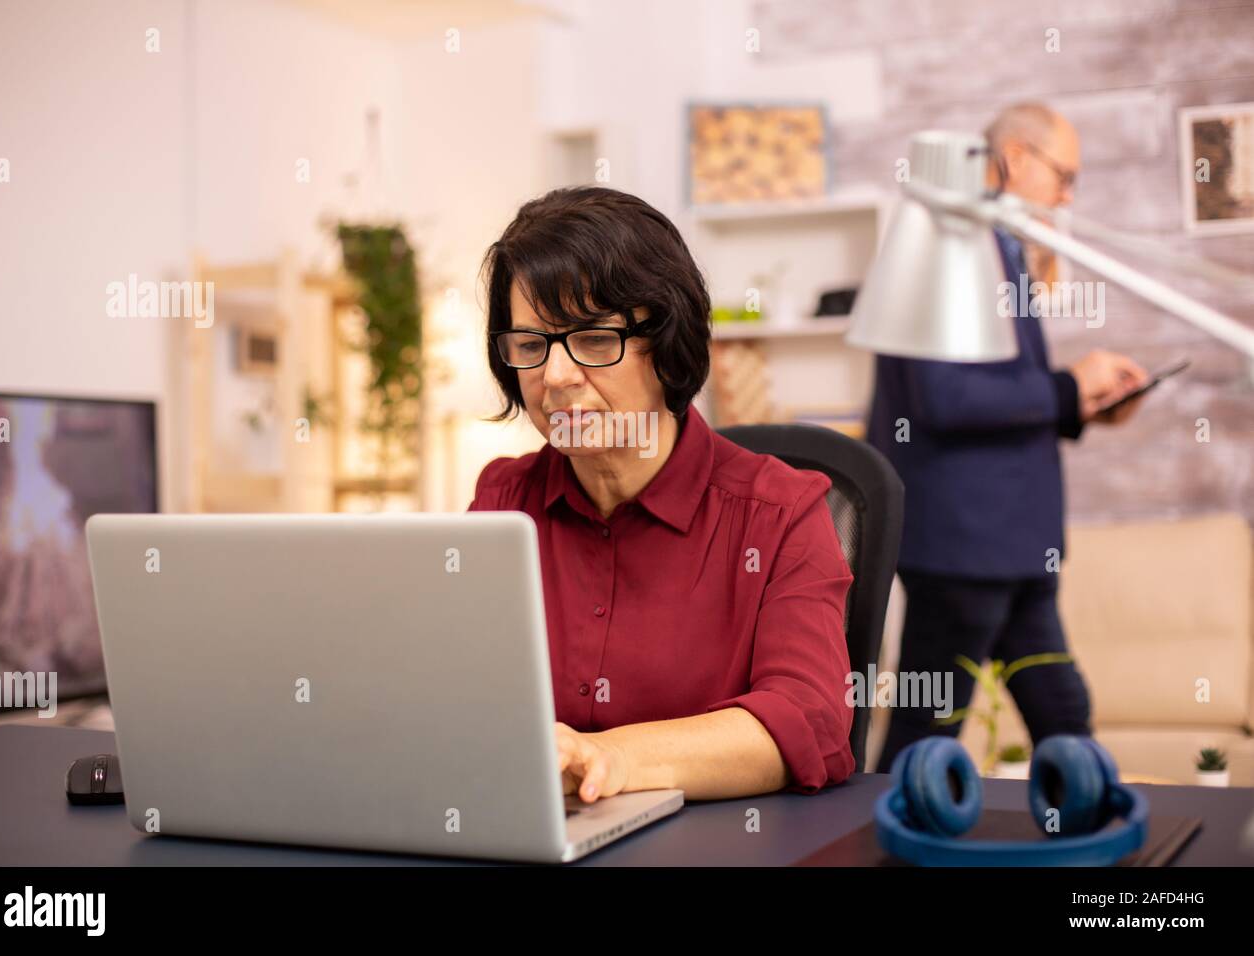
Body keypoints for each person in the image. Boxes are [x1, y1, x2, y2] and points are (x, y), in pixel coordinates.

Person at [469, 185, 855, 802]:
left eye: (594, 338)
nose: (556, 376)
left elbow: (808, 720)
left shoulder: (782, 514)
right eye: (532, 345)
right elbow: (454, 697)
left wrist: (611, 757)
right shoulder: (503, 499)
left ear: (667, 345)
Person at [869, 103, 1151, 772]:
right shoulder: (948, 242)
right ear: (1016, 158)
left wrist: (1082, 404)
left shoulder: (995, 245)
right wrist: (1065, 389)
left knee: (1064, 719)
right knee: (925, 737)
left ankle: (1104, 859)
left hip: (1012, 550)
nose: (1068, 196)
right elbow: (946, 397)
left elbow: (991, 392)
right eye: (1063, 175)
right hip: (967, 550)